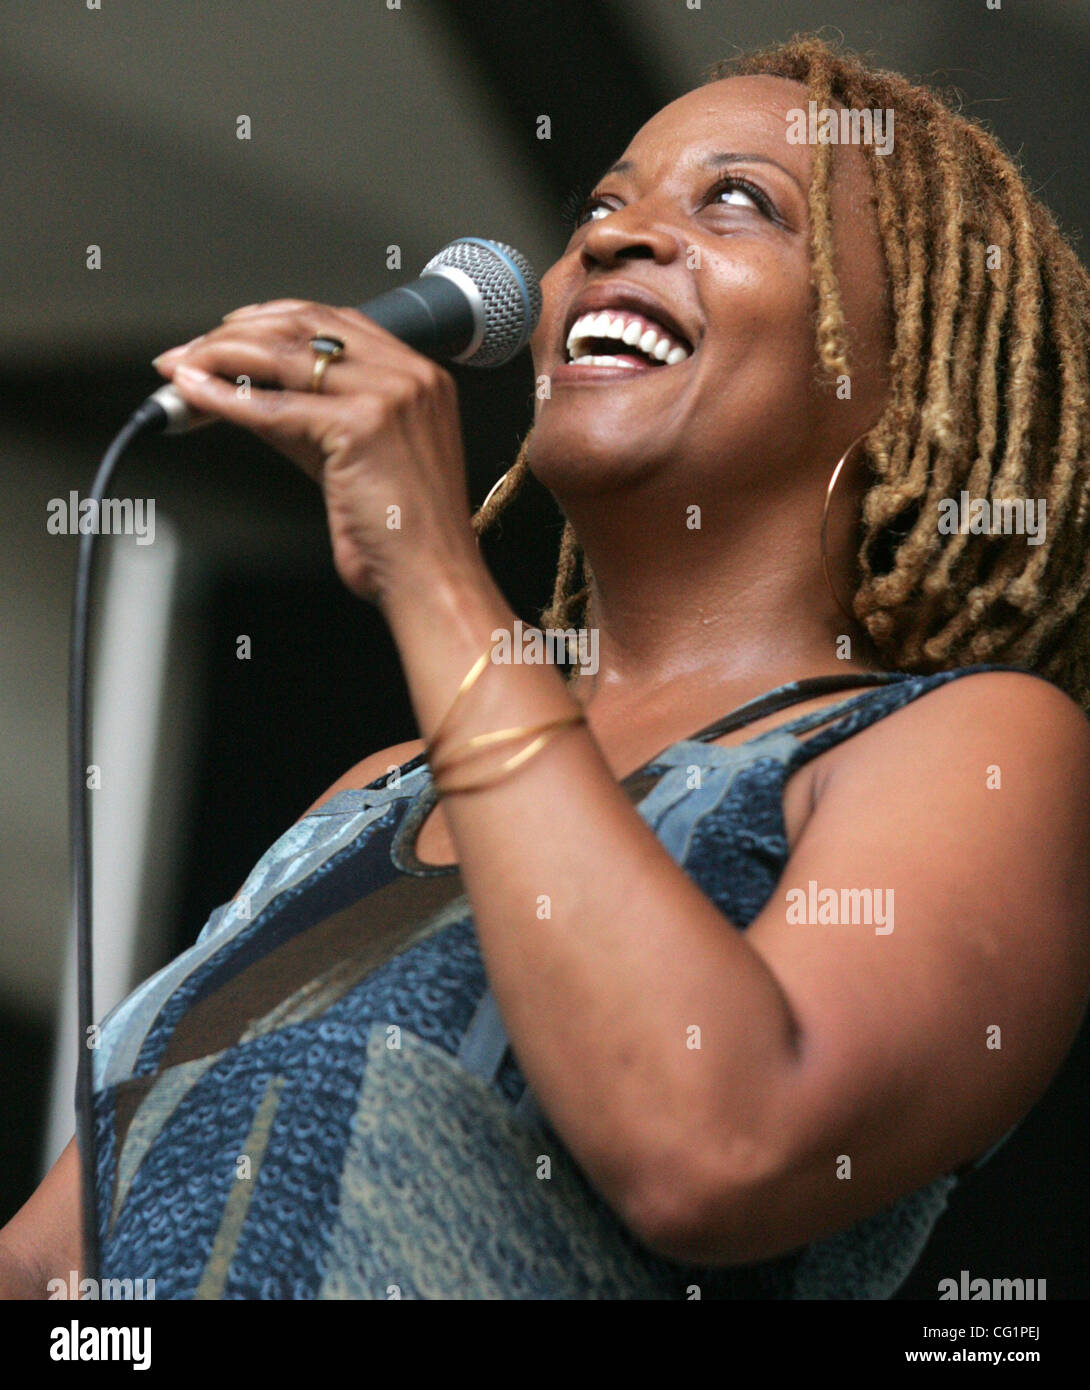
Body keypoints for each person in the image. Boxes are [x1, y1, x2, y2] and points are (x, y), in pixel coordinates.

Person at [3, 34, 1090, 1300]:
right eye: (600, 207)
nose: (610, 242)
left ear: (907, 380)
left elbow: (719, 1142)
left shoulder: (974, 745)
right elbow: (51, 1264)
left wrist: (428, 564)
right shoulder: (371, 798)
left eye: (738, 202)